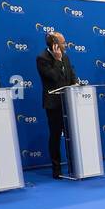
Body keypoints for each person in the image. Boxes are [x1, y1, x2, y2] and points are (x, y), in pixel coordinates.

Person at [36, 32, 78, 179]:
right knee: (55, 136)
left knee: (72, 134)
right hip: (53, 104)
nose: (65, 45)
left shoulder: (65, 56)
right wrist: (58, 59)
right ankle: (57, 168)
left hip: (69, 103)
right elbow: (53, 77)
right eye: (63, 43)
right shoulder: (42, 58)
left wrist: (76, 83)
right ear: (54, 45)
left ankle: (75, 164)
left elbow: (71, 75)